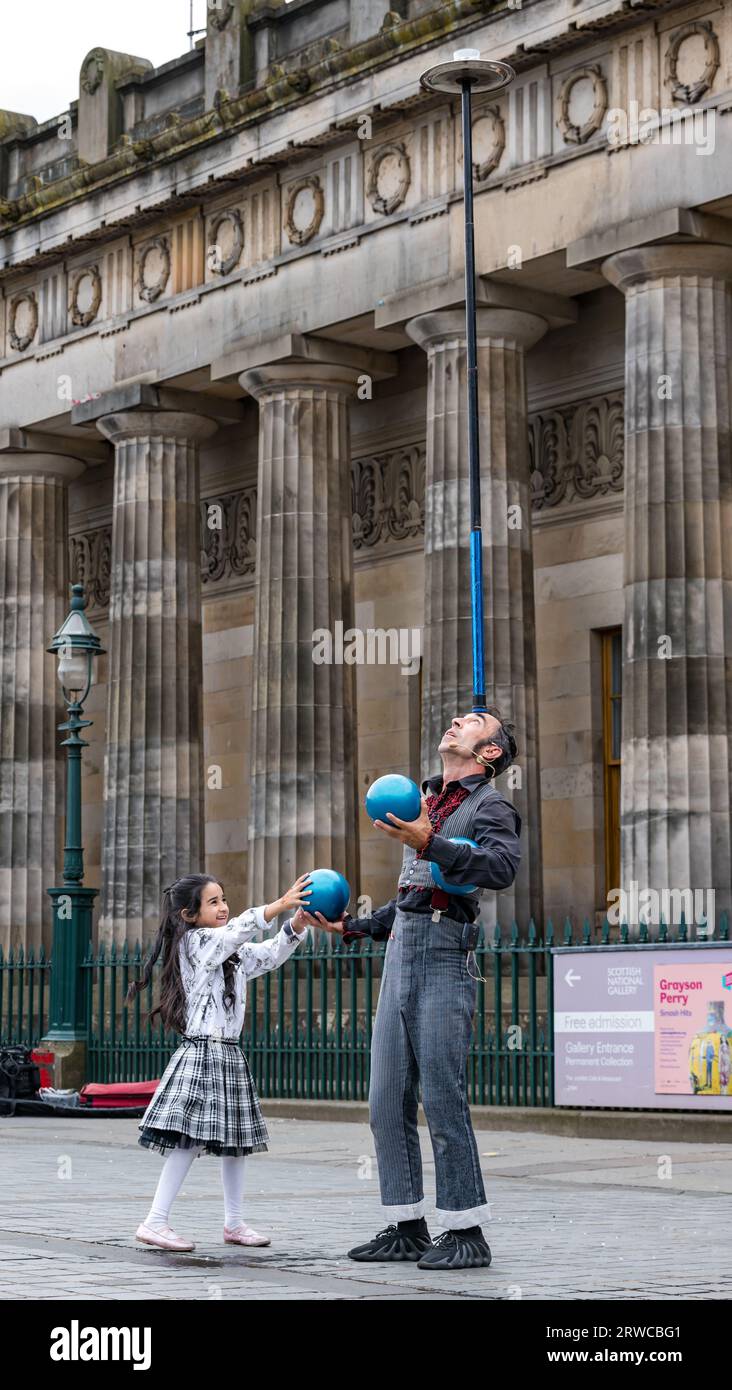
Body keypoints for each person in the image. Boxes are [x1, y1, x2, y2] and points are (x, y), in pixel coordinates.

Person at [316, 707, 521, 1271]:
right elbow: (411, 893)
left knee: (442, 1096)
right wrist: (354, 926)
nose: (455, 720)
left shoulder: (490, 806)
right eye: (457, 717)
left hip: (446, 954)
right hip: (403, 949)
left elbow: (501, 868)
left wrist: (434, 844)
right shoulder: (424, 804)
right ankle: (407, 1224)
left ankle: (467, 1230)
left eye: (473, 720)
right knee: (385, 1099)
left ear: (491, 752)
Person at [127, 872, 312, 1251]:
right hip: (203, 1051)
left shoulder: (229, 951)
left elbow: (267, 955)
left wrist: (295, 926)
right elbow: (236, 933)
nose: (223, 906)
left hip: (227, 1052)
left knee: (236, 1142)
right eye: (213, 902)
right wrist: (276, 905)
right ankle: (154, 1220)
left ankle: (234, 1223)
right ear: (189, 914)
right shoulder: (196, 943)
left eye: (223, 898)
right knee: (187, 1140)